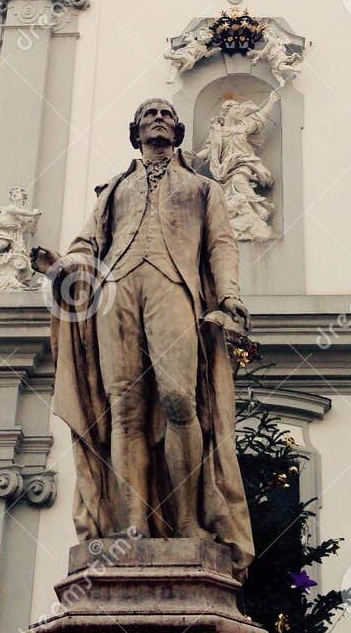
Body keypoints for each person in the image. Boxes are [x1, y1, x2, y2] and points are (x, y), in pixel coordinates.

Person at [32, 97, 254, 575]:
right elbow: (86, 246)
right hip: (116, 292)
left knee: (180, 401)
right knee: (124, 410)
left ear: (177, 130)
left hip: (174, 288)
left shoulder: (201, 188)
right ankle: (131, 525)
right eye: (150, 114)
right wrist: (61, 266)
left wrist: (229, 296)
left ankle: (190, 521)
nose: (158, 119)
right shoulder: (113, 190)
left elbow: (220, 244)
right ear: (136, 130)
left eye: (166, 114)